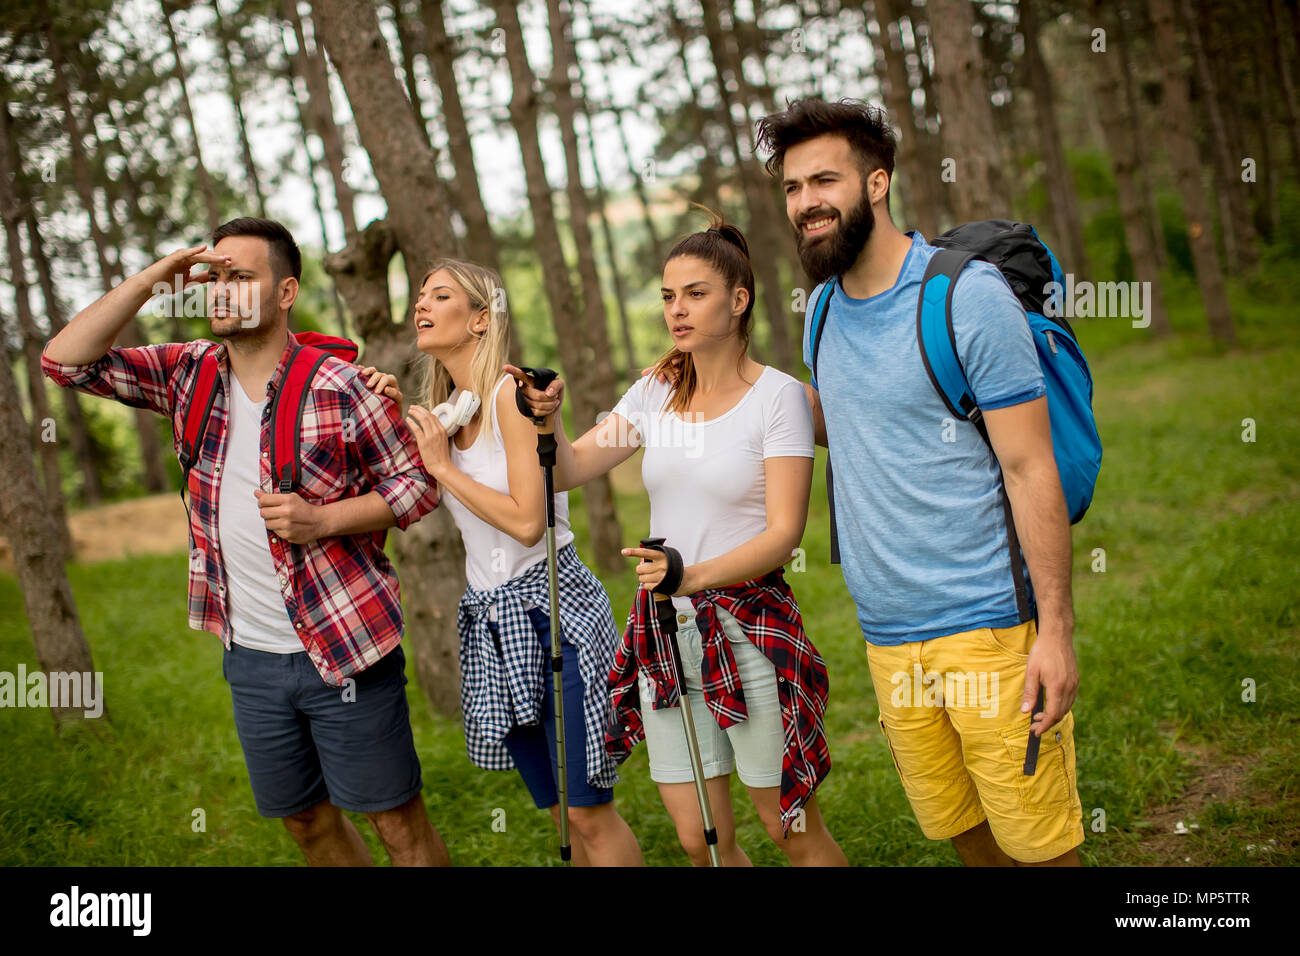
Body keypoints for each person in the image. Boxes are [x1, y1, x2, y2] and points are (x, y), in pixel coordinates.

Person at [41, 217, 450, 866]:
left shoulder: (342, 386)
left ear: (285, 292)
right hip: (250, 656)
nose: (222, 290)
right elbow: (64, 363)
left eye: (241, 277)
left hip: (345, 643)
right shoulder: (188, 373)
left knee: (397, 826)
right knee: (305, 823)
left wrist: (323, 520)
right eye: (216, 277)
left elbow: (419, 485)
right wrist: (152, 280)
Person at [754, 98, 1084, 866]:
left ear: (877, 183)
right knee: (965, 832)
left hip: (988, 625)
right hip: (888, 636)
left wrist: (1057, 631)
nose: (805, 203)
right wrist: (731, 382)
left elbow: (1028, 465)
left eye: (824, 181)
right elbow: (851, 419)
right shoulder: (822, 309)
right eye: (793, 187)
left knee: (1039, 846)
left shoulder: (966, 296)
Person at [512, 211, 847, 866]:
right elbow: (572, 468)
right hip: (665, 632)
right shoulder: (655, 391)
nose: (677, 310)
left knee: (788, 828)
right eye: (669, 296)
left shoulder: (777, 398)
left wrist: (688, 576)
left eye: (696, 293)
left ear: (739, 300)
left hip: (746, 626)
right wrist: (547, 420)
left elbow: (784, 534)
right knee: (699, 839)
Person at [400, 258, 642, 866]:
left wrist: (443, 468)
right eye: (420, 296)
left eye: (440, 296)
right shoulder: (449, 413)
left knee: (587, 809)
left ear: (481, 319)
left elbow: (529, 521)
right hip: (492, 618)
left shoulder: (510, 398)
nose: (421, 305)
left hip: (552, 608)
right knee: (560, 810)